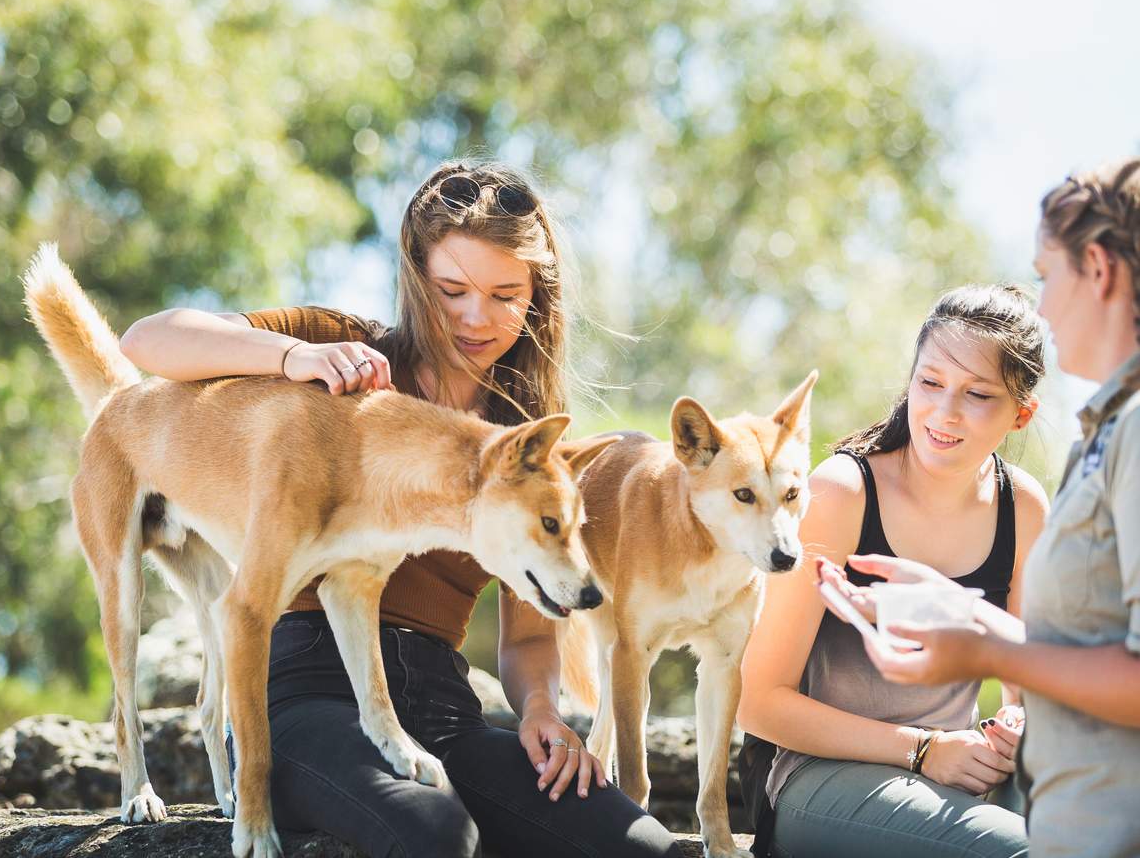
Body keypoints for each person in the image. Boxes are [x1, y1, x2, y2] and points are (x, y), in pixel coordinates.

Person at [119, 159, 681, 858]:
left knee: (639, 847)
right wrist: (293, 357)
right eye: (452, 290)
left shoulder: (525, 436)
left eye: (506, 295)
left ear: (537, 296)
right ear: (416, 275)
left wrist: (540, 708)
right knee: (437, 834)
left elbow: (531, 637)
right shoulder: (339, 347)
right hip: (304, 690)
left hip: (442, 707)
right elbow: (148, 340)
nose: (477, 317)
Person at [826, 158, 1140, 858]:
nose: (1042, 302)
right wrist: (964, 612)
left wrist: (985, 646)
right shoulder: (1110, 429)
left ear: (1096, 269)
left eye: (1044, 274)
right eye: (930, 382)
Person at [736, 284, 1051, 857]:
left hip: (960, 774)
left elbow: (1028, 683)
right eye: (930, 383)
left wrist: (1014, 726)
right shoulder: (841, 493)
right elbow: (758, 701)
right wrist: (925, 749)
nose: (944, 411)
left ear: (1020, 413)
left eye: (977, 394)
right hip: (817, 782)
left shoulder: (1023, 508)